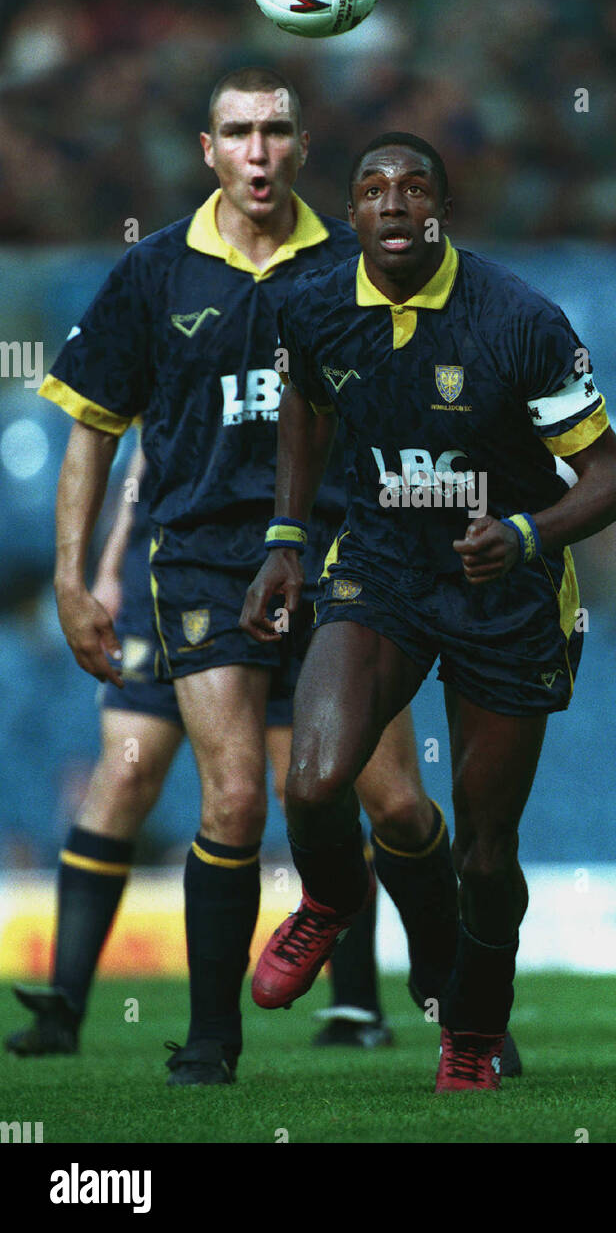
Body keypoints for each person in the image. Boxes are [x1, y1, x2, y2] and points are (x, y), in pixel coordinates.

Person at [28, 73, 451, 1086]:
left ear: (302, 149)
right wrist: (73, 576)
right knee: (230, 800)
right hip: (204, 557)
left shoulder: (354, 265)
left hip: (348, 553)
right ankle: (210, 1039)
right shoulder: (155, 272)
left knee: (390, 799)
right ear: (206, 149)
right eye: (236, 132)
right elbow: (92, 425)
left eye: (273, 131)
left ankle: (460, 1009)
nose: (256, 151)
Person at [241, 132, 616, 1091]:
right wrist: (287, 540)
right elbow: (305, 401)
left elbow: (613, 480)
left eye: (415, 189)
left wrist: (529, 536)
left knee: (487, 853)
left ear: (441, 212)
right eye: (374, 189)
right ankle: (333, 897)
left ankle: (469, 1033)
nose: (394, 204)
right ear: (351, 212)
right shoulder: (313, 306)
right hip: (383, 567)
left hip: (507, 588)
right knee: (313, 781)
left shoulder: (519, 320)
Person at [5, 442, 395, 1058]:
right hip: (168, 568)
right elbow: (142, 445)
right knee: (126, 777)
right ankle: (63, 1003)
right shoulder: (168, 349)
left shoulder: (309, 351)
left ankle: (355, 1001)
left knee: (299, 790)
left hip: (281, 562)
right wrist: (110, 565)